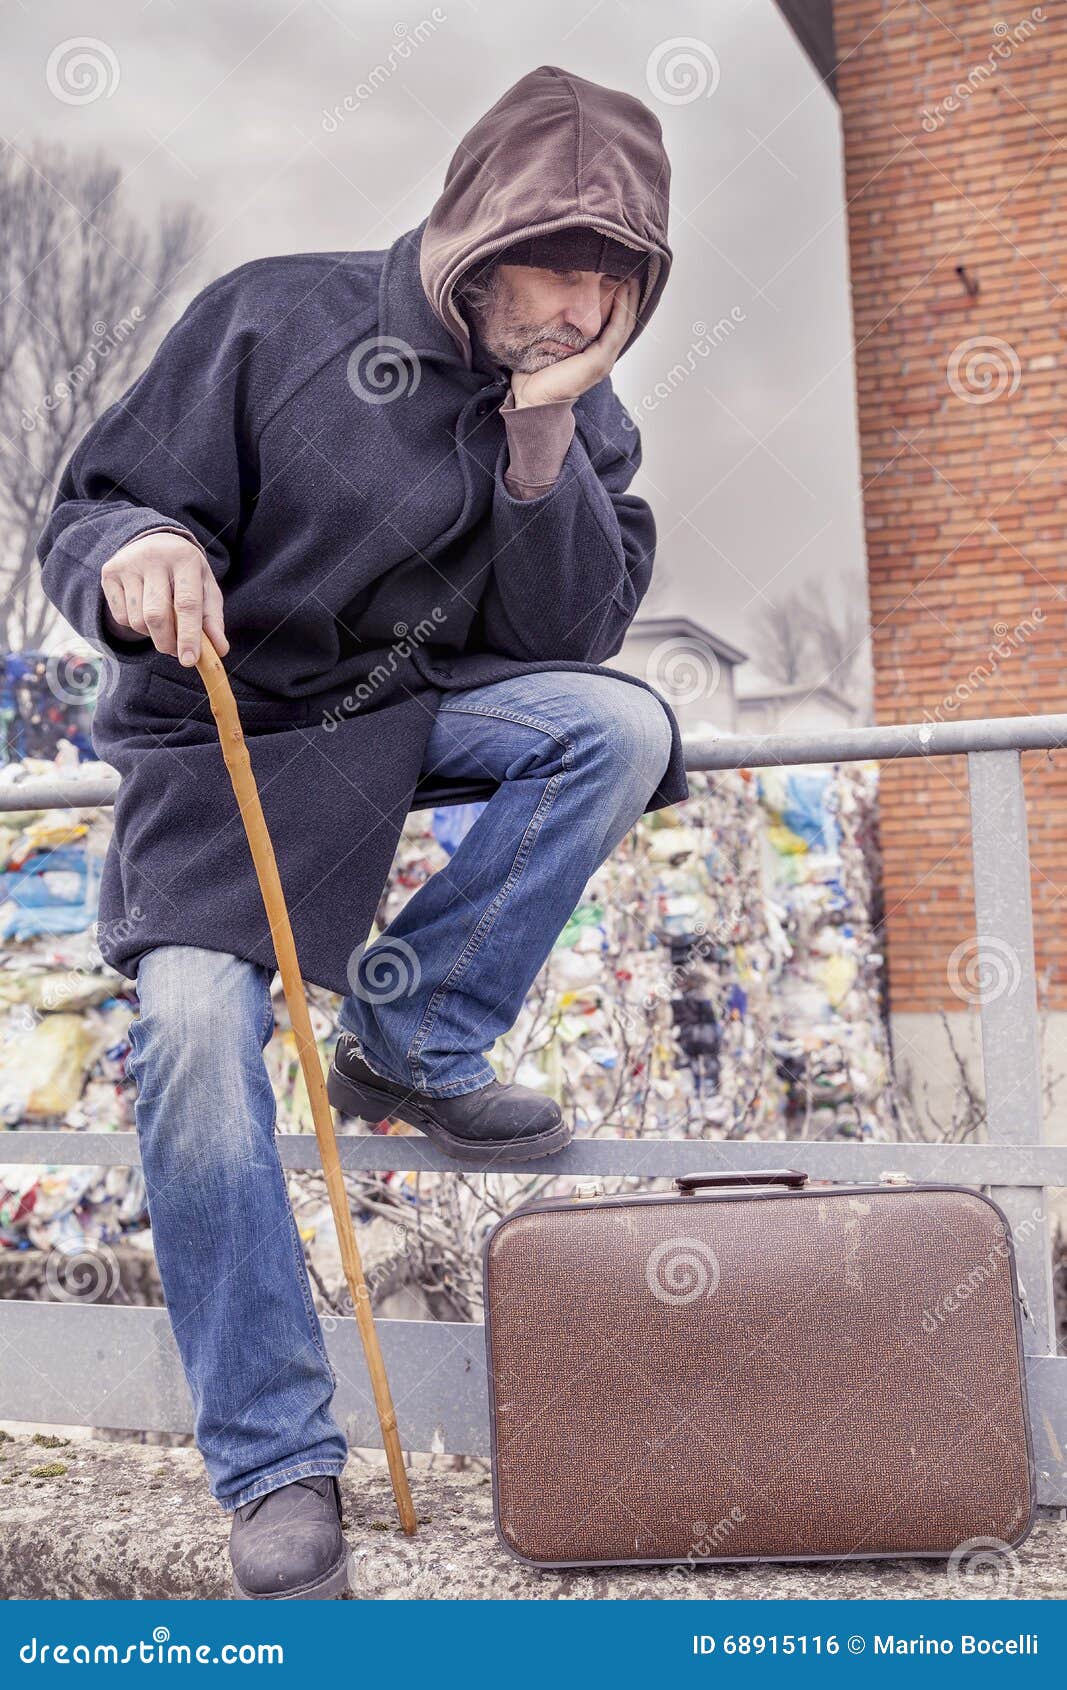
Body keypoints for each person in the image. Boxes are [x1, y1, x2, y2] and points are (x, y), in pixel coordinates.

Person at [37, 64, 685, 1599]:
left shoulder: (583, 408)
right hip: (226, 741)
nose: (586, 302)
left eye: (620, 274)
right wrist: (138, 549)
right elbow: (91, 507)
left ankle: (409, 1035)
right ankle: (273, 1461)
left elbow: (570, 634)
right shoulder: (271, 317)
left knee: (622, 728)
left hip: (410, 727)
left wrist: (541, 444)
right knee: (194, 1039)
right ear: (478, 232)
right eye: (561, 259)